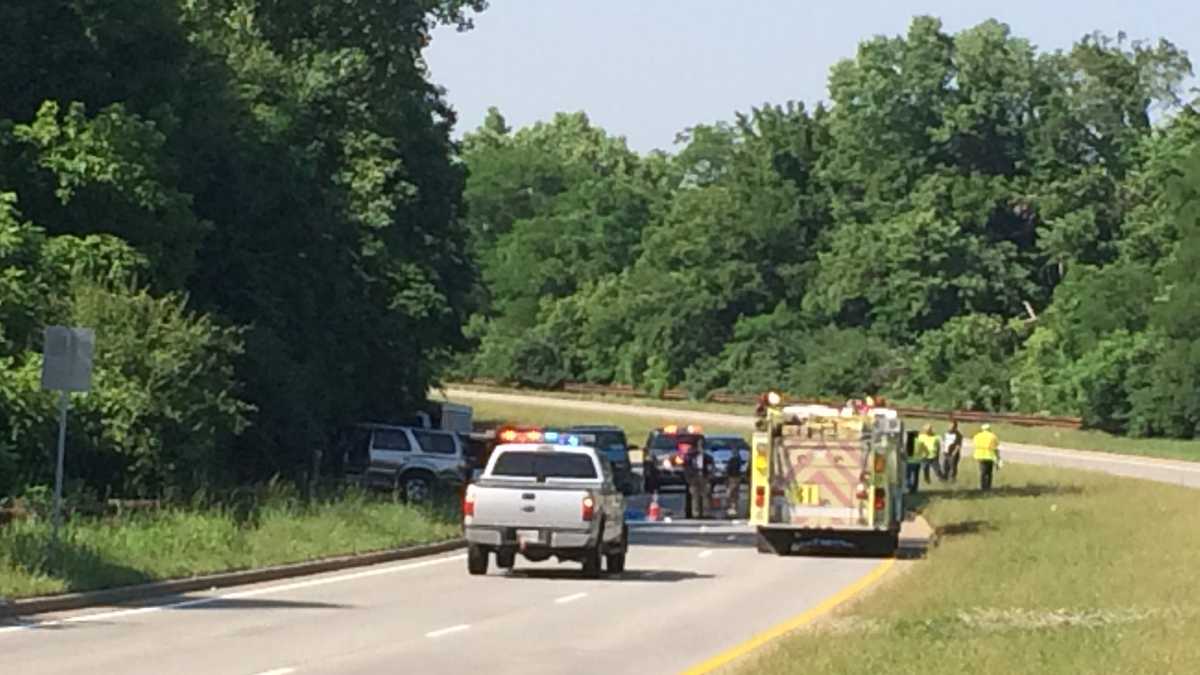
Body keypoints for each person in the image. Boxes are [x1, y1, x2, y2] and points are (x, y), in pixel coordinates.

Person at [682, 439, 711, 519]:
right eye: (699, 446)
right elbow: (686, 468)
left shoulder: (708, 457)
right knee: (695, 496)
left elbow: (711, 468)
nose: (700, 448)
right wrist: (689, 478)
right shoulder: (690, 457)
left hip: (704, 477)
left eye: (702, 446)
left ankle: (706, 513)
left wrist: (709, 477)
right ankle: (696, 513)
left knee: (705, 495)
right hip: (694, 477)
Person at [973, 423, 1001, 491]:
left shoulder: (977, 436)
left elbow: (975, 444)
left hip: (980, 456)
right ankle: (988, 486)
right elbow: (996, 447)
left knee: (982, 473)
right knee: (989, 473)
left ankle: (982, 486)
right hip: (989, 456)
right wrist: (998, 459)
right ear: (989, 429)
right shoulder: (993, 436)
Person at [724, 446, 744, 518]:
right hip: (734, 477)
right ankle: (733, 510)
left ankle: (732, 510)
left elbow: (730, 469)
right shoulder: (738, 459)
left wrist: (727, 474)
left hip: (733, 478)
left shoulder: (734, 459)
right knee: (734, 494)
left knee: (731, 494)